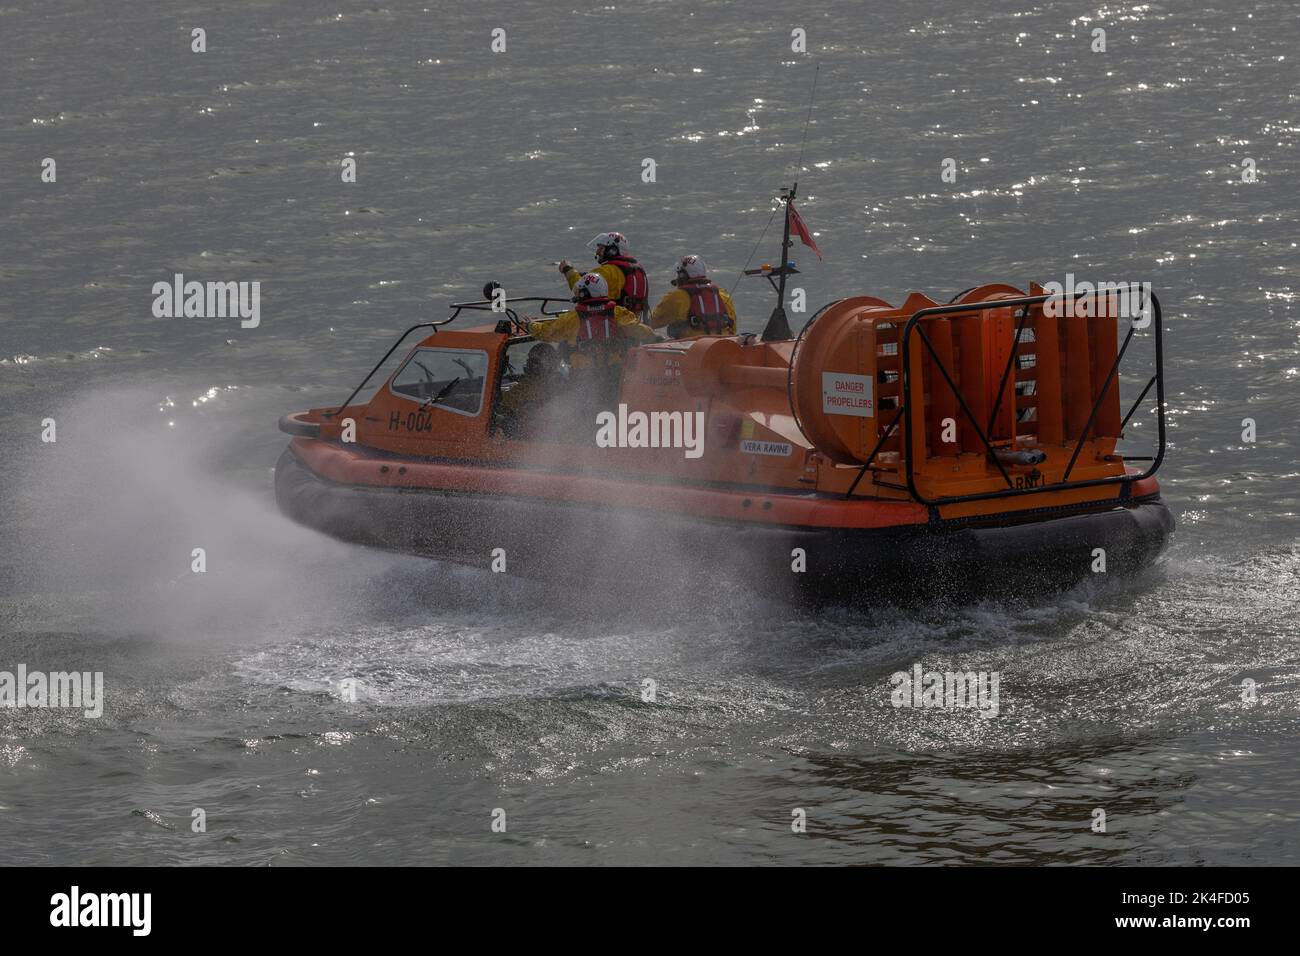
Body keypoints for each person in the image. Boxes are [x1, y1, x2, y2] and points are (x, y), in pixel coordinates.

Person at [529, 272, 655, 369]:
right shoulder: (618, 312)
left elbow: (548, 332)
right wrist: (657, 339)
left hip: (583, 374)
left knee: (564, 349)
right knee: (621, 403)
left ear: (584, 293)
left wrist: (530, 325)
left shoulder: (573, 318)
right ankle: (623, 405)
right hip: (615, 372)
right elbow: (638, 329)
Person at [558, 231, 650, 318]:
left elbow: (578, 289)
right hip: (630, 321)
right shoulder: (634, 268)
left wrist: (568, 270)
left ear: (612, 250)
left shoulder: (608, 271)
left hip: (609, 321)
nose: (597, 252)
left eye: (601, 248)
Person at [649, 254, 737, 339]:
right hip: (722, 343)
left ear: (682, 275)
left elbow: (652, 322)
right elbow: (733, 326)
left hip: (691, 346)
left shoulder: (677, 297)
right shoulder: (722, 293)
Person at [498, 342, 560, 437]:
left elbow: (501, 403)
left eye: (531, 361)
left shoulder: (527, 387)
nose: (528, 363)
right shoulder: (558, 384)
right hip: (545, 436)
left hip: (523, 437)